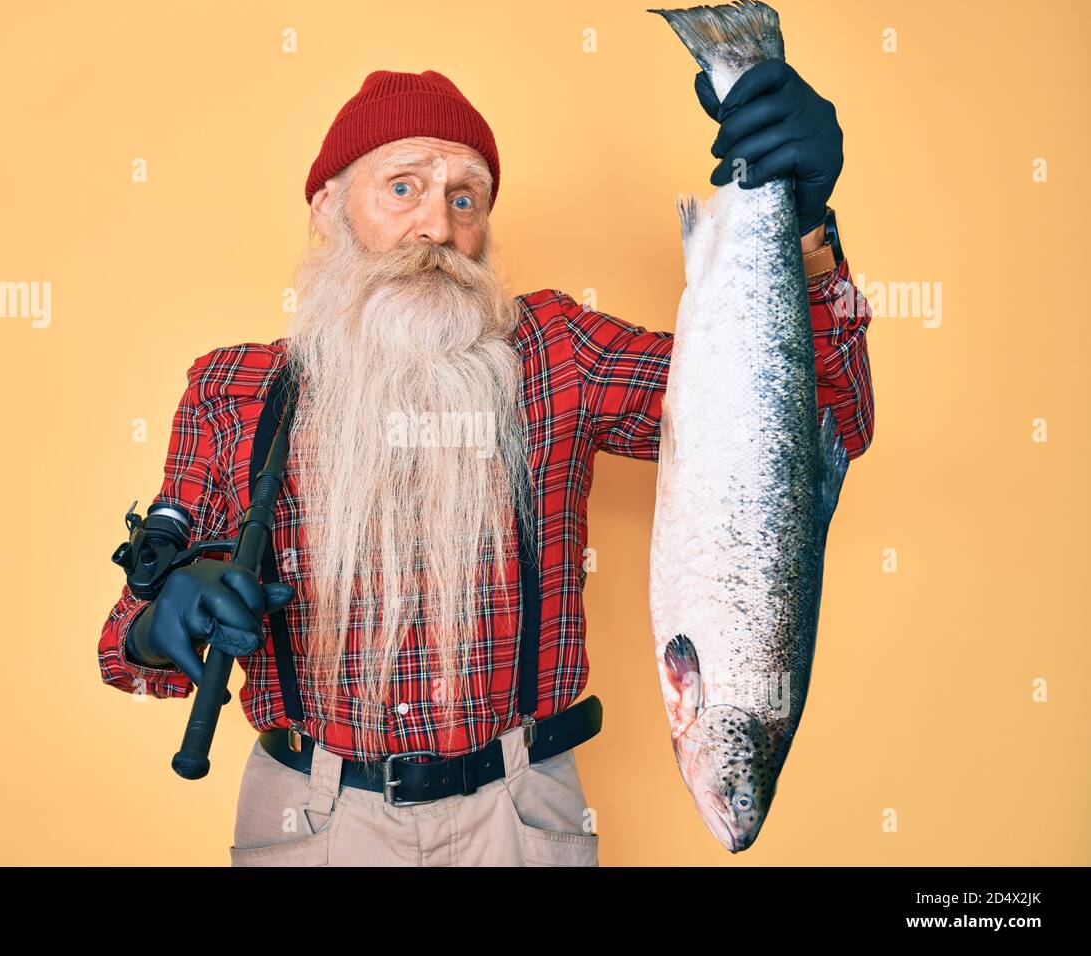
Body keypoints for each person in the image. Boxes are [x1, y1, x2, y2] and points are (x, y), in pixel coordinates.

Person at [98, 65, 873, 866]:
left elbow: (822, 419)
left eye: (465, 198)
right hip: (309, 818)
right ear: (328, 209)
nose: (438, 226)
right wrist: (164, 621)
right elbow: (125, 652)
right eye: (403, 188)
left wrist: (806, 236)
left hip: (520, 812)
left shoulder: (557, 354)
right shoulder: (234, 391)